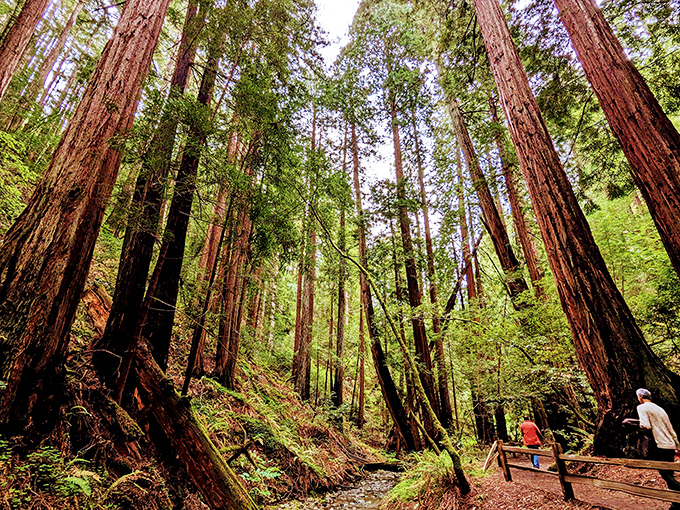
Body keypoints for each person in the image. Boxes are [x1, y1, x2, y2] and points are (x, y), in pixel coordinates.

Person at [636, 388, 680, 507]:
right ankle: (676, 504)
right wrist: (677, 446)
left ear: (640, 397)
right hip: (669, 445)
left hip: (659, 445)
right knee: (669, 475)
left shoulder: (642, 407)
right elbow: (671, 429)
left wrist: (635, 426)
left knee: (667, 475)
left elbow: (645, 425)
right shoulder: (660, 409)